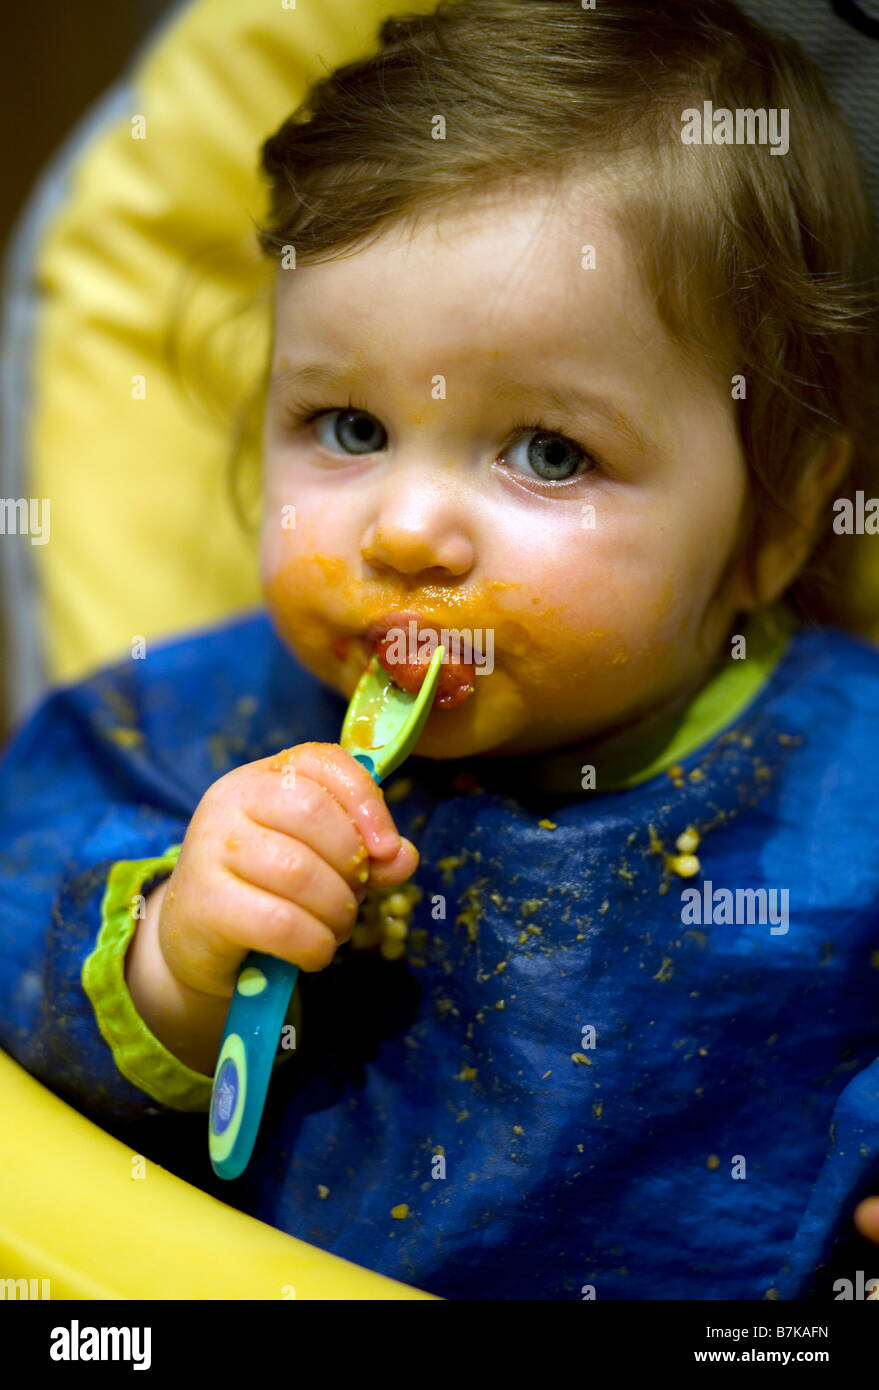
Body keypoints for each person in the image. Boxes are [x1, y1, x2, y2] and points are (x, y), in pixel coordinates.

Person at [2, 0, 879, 1299]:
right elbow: (24, 915)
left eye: (548, 452)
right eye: (348, 427)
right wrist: (175, 955)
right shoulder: (192, 722)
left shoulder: (850, 780)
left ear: (774, 519)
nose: (405, 530)